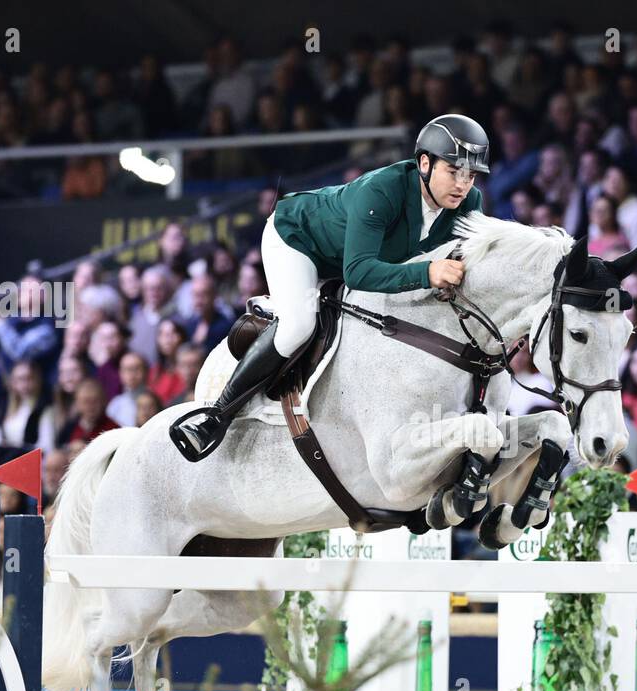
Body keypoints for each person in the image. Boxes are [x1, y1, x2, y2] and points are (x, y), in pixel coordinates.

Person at [171, 114, 490, 461]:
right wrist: (427, 273)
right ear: (424, 163)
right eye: (454, 171)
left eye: (470, 174)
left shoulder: (469, 204)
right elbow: (358, 273)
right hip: (299, 240)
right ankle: (216, 417)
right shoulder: (383, 189)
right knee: (299, 325)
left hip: (355, 257)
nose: (463, 184)